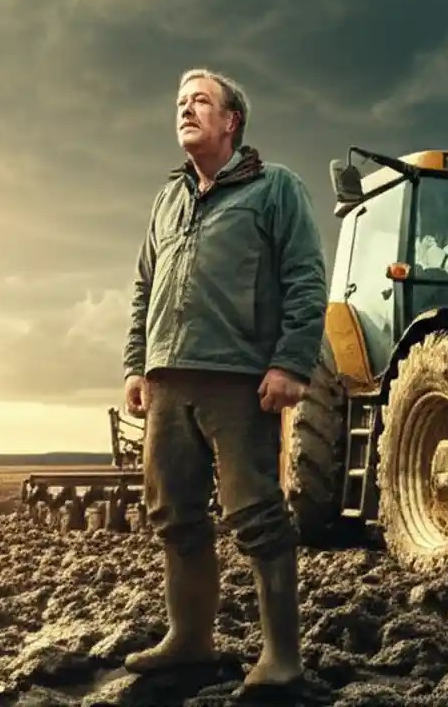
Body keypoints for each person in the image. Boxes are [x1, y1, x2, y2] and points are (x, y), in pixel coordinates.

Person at [119, 67, 327, 698]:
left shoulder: (275, 189)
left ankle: (281, 660)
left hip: (238, 381)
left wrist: (291, 363)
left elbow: (306, 279)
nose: (186, 110)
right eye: (180, 101)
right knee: (174, 515)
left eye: (201, 102)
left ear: (232, 120)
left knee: (257, 516)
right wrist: (137, 363)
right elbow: (143, 289)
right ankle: (190, 641)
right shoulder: (166, 200)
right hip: (167, 383)